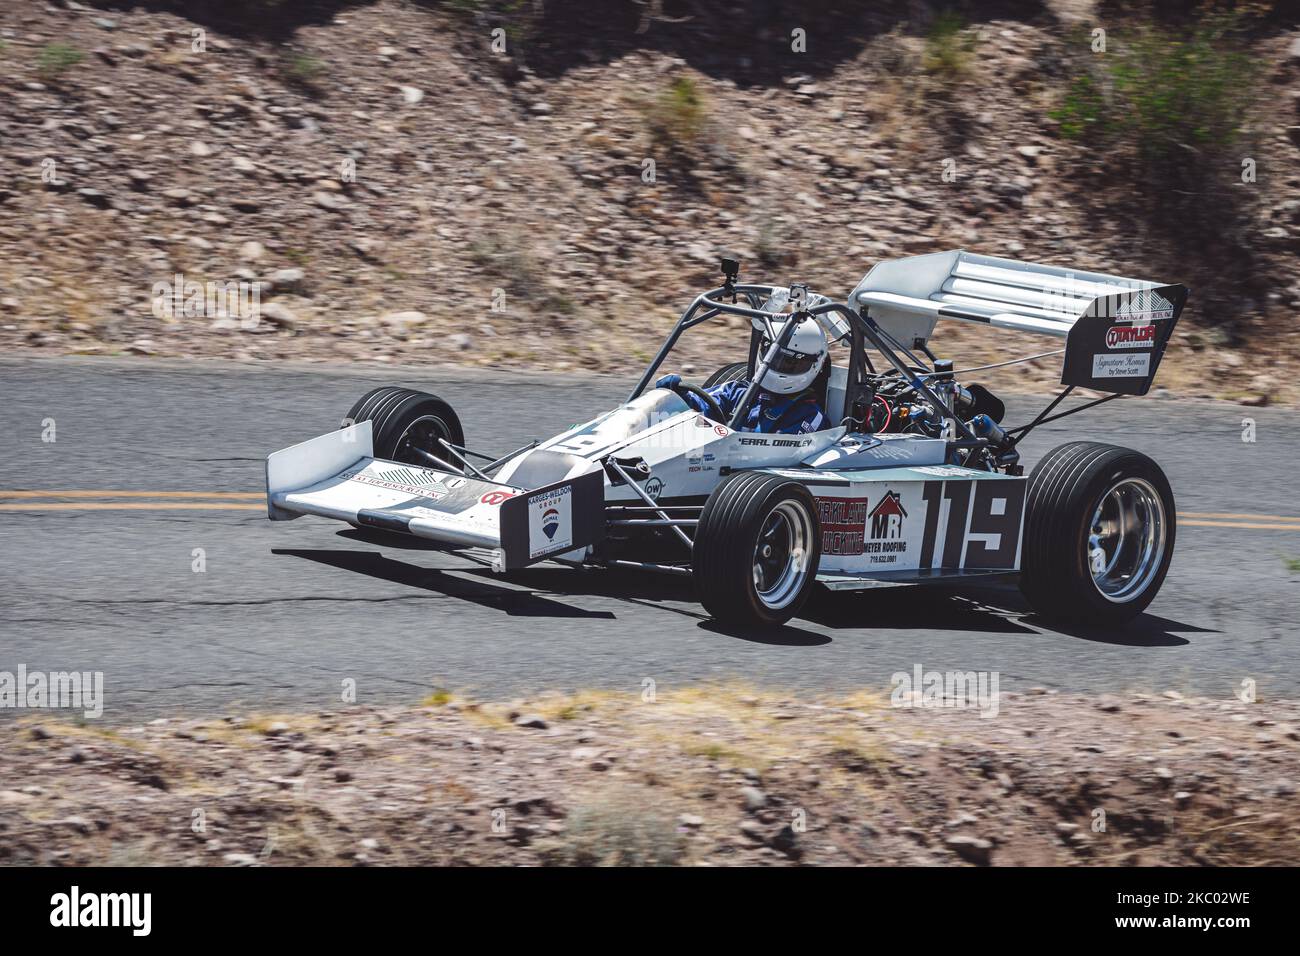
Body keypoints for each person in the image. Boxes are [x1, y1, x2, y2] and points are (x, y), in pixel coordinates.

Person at [656, 316, 828, 434]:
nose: (779, 367)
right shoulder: (737, 392)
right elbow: (703, 404)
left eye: (792, 363)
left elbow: (781, 457)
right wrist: (678, 398)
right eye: (774, 358)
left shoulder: (811, 416)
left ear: (815, 364)